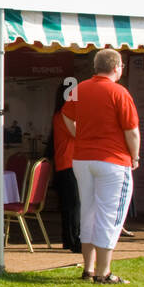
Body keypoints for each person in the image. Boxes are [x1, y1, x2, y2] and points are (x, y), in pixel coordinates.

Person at [62, 49, 139, 284]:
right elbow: (132, 131)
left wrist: (79, 136)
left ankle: (88, 268)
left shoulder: (79, 89)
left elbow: (65, 116)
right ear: (117, 67)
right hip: (113, 160)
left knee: (89, 212)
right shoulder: (119, 92)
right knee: (111, 214)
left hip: (82, 158)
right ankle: (104, 272)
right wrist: (134, 157)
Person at [47, 84, 81, 253]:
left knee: (69, 205)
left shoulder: (58, 115)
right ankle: (74, 240)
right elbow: (78, 133)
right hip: (69, 163)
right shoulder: (64, 116)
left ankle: (69, 239)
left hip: (65, 163)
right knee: (74, 205)